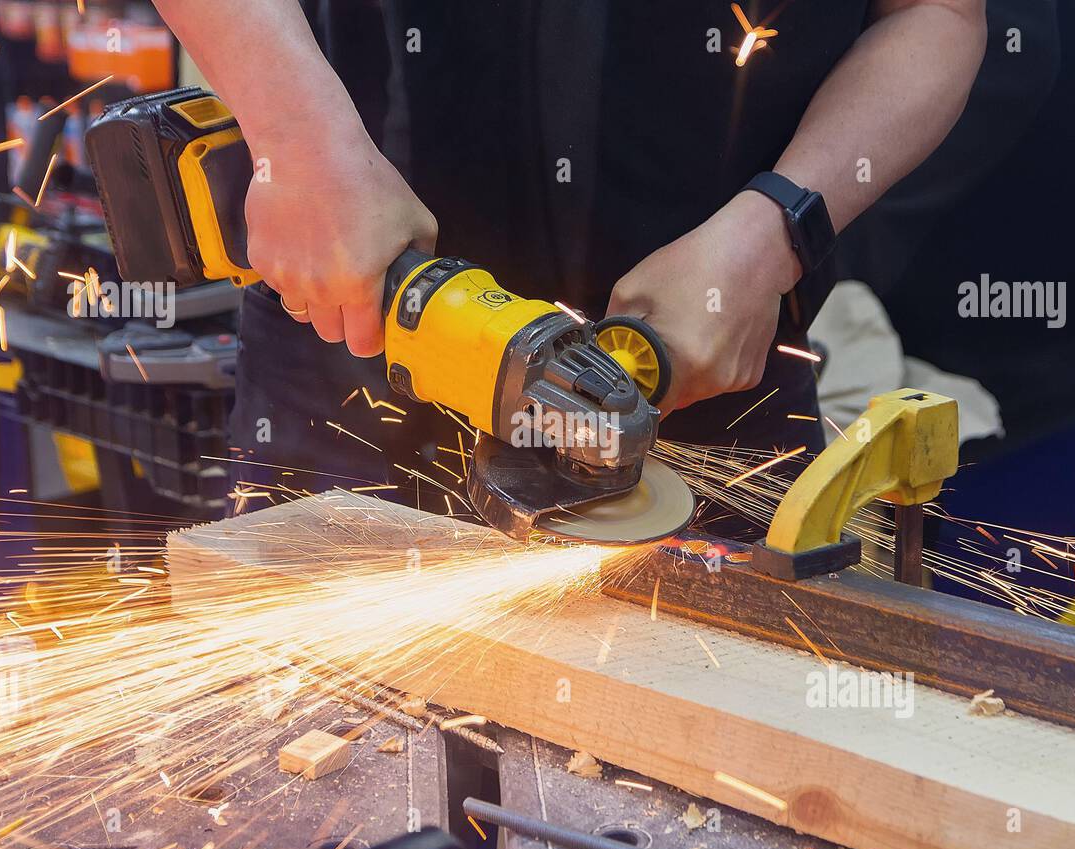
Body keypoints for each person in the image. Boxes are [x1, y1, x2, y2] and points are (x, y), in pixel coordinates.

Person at [150, 0, 987, 506]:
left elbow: (938, 14)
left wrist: (774, 231)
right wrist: (294, 136)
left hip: (706, 367)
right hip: (357, 341)